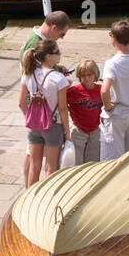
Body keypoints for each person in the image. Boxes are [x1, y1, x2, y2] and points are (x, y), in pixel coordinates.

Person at [19, 40, 70, 186]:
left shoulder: (28, 74)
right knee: (50, 168)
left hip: (33, 128)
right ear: (48, 56)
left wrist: (32, 117)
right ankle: (48, 201)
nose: (59, 55)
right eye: (57, 52)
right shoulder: (59, 78)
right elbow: (62, 109)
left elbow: (21, 103)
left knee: (34, 167)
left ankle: (30, 199)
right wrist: (67, 131)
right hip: (53, 126)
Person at [98, 20, 129, 161]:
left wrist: (107, 106)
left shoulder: (112, 64)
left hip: (117, 114)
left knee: (111, 158)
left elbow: (104, 89)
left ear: (114, 38)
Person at [65, 59, 103, 164]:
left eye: (89, 75)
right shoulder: (73, 91)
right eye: (83, 75)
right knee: (76, 162)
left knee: (92, 162)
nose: (86, 78)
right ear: (79, 76)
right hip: (78, 131)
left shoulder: (101, 89)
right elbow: (60, 101)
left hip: (95, 131)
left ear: (95, 75)